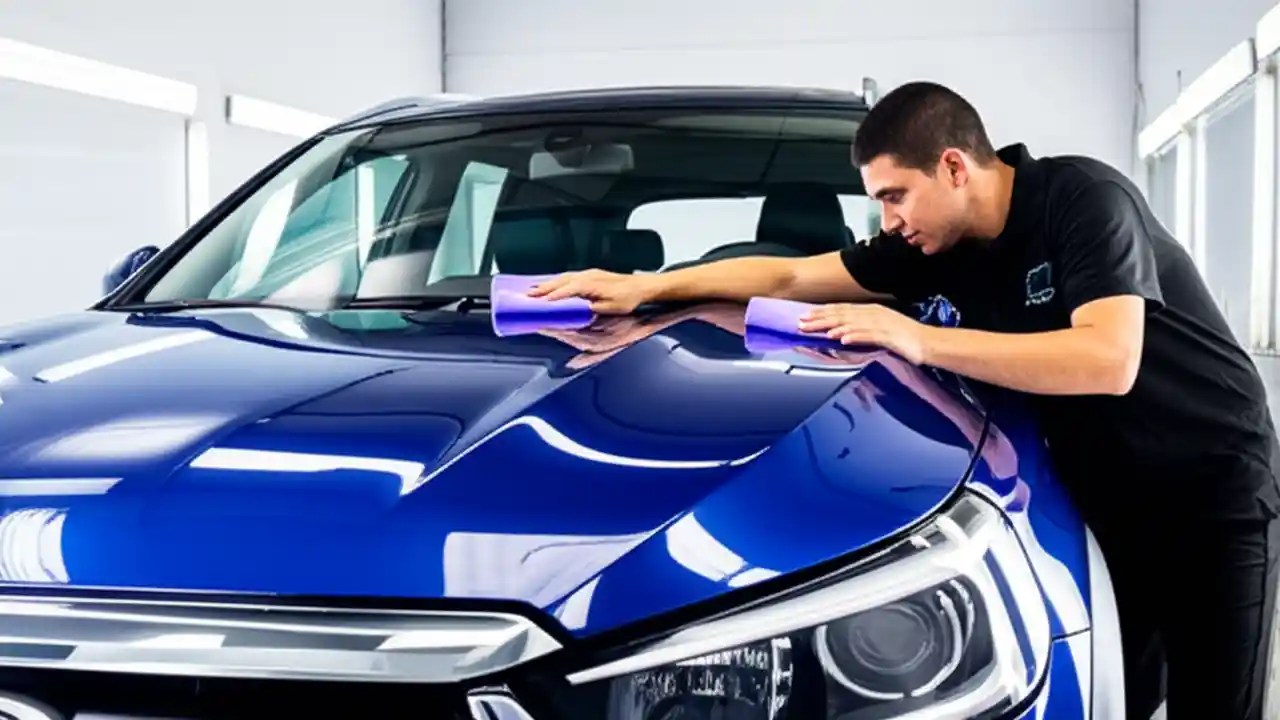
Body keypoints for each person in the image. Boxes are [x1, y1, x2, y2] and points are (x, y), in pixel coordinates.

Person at [528, 80, 1280, 719]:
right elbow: (791, 278)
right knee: (1124, 692)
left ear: (953, 167)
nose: (888, 220)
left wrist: (912, 337)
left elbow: (1108, 360)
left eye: (894, 196)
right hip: (1107, 495)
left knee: (1218, 700)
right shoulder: (929, 246)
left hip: (1208, 486)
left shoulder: (1083, 201)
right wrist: (646, 286)